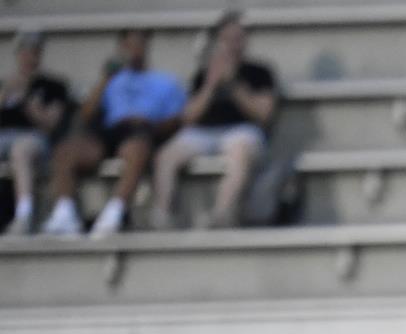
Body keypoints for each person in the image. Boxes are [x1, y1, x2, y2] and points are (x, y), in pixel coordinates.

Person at [41, 28, 185, 237]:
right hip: (107, 131)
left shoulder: (165, 82)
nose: (134, 50)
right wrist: (105, 78)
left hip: (142, 131)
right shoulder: (110, 80)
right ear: (121, 48)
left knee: (138, 149)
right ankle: (64, 212)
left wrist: (151, 125)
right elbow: (86, 115)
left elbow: (176, 120)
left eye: (139, 44)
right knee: (65, 150)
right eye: (129, 45)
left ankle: (113, 213)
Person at [148, 12, 276, 229]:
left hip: (242, 130)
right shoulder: (203, 75)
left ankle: (222, 213)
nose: (233, 45)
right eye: (228, 39)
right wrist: (210, 85)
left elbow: (263, 113)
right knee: (165, 156)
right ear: (220, 42)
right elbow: (188, 117)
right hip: (203, 132)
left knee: (240, 152)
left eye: (238, 38)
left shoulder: (260, 72)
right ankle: (163, 215)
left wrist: (234, 84)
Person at [2, 30, 72, 234]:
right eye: (24, 51)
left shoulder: (53, 85)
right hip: (3, 136)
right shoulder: (5, 84)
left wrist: (27, 102)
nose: (28, 57)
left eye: (33, 51)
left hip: (34, 138)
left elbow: (52, 124)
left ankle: (24, 214)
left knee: (20, 151)